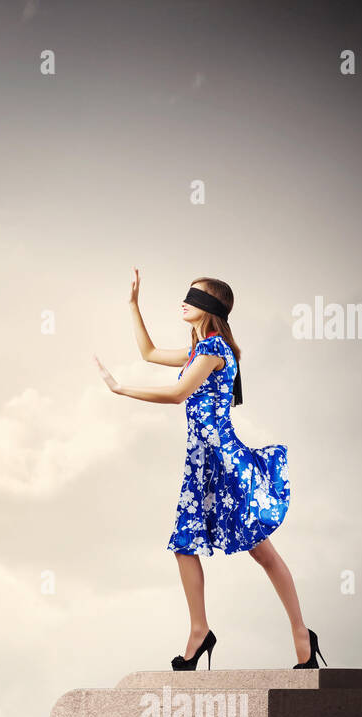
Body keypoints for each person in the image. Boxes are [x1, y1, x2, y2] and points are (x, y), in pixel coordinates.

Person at [93, 268, 325, 671]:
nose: (183, 301)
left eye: (193, 297)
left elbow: (178, 393)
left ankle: (301, 634)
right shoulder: (198, 352)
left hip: (223, 463)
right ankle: (199, 631)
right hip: (201, 462)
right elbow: (148, 353)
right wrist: (133, 305)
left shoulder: (214, 351)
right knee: (185, 543)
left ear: (210, 309)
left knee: (262, 552)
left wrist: (122, 388)